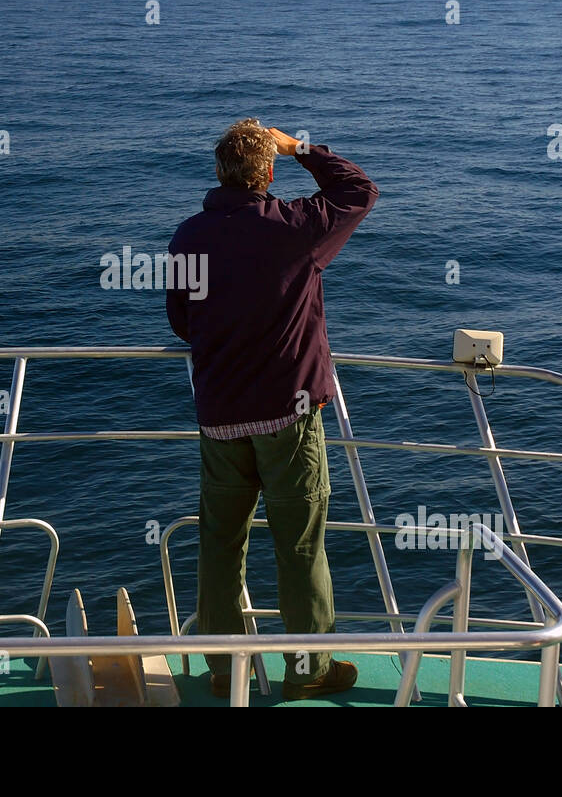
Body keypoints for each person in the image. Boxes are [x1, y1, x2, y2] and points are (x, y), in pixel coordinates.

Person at [165, 118, 378, 700]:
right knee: (300, 545)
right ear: (267, 172)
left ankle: (221, 669)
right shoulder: (296, 228)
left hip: (219, 417)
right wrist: (301, 146)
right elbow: (358, 191)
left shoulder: (187, 237)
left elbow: (181, 321)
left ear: (218, 171)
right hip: (290, 412)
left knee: (220, 544)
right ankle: (307, 671)